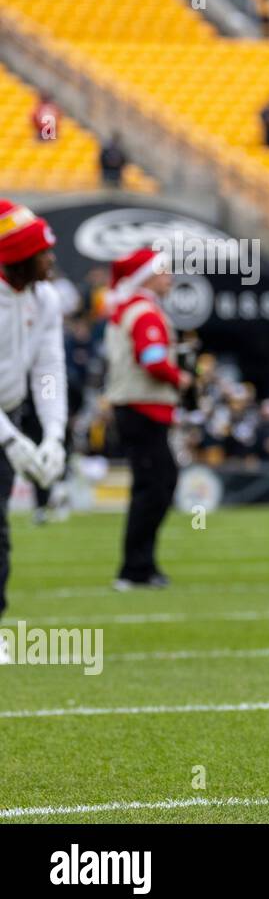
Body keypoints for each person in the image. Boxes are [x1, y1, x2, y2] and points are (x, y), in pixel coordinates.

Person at [0, 201, 66, 663]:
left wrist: (54, 435)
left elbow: (48, 370)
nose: (51, 260)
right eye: (43, 252)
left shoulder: (45, 299)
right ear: (19, 256)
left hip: (10, 414)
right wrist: (8, 440)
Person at [104, 247, 190, 589]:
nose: (169, 277)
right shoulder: (145, 312)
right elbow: (152, 360)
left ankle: (142, 565)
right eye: (163, 271)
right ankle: (136, 567)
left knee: (153, 484)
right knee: (155, 486)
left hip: (135, 407)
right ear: (147, 277)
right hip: (143, 408)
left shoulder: (127, 309)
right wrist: (180, 378)